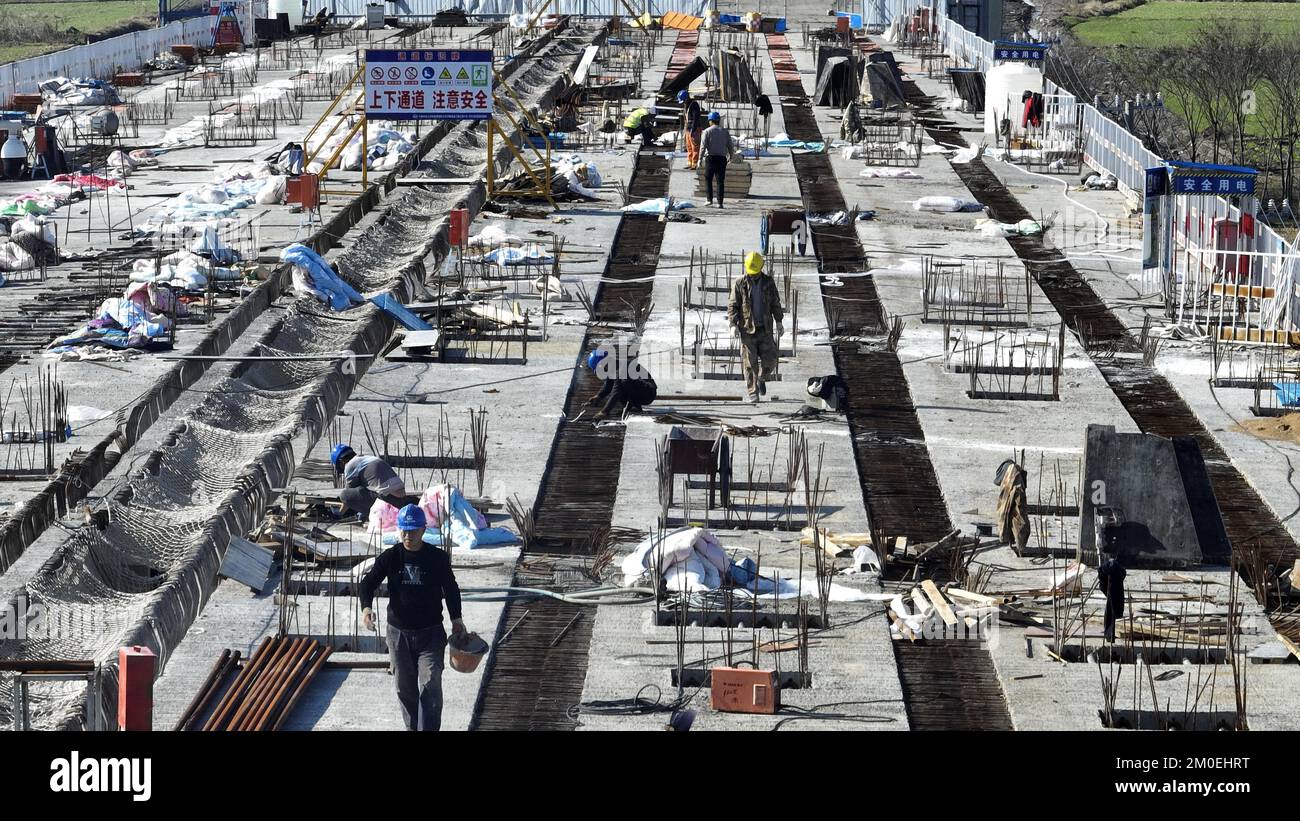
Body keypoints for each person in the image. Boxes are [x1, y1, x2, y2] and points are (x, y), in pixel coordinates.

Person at [360, 504, 465, 731]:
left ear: (424, 529)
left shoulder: (437, 558)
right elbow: (367, 584)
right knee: (404, 688)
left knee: (430, 683)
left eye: (413, 530)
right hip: (398, 635)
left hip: (430, 634)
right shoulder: (391, 557)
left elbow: (451, 589)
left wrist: (457, 619)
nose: (408, 536)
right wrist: (366, 610)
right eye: (404, 530)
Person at [727, 251, 784, 402]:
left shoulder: (768, 282)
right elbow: (733, 305)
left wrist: (779, 321)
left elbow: (775, 303)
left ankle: (762, 379)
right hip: (747, 329)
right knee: (749, 363)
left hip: (765, 328)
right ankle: (753, 393)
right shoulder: (740, 283)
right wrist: (733, 324)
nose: (752, 274)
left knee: (771, 360)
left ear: (761, 268)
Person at [330, 443, 418, 516]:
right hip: (401, 497)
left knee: (344, 495)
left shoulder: (350, 465)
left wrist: (339, 513)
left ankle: (373, 515)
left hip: (389, 500)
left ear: (341, 462)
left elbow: (348, 496)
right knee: (362, 488)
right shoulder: (368, 458)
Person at [584, 346, 657, 421]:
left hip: (648, 394)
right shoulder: (614, 366)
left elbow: (616, 393)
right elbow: (608, 385)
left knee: (622, 383)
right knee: (621, 383)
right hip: (642, 390)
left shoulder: (620, 370)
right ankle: (630, 406)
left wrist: (604, 412)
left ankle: (634, 406)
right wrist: (598, 396)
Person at [700, 111, 736, 208]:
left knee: (708, 179)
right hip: (722, 159)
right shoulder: (725, 131)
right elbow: (730, 145)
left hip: (711, 158)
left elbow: (703, 147)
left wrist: (699, 159)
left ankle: (709, 200)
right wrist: (731, 156)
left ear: (711, 121)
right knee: (720, 181)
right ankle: (720, 203)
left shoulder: (706, 131)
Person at [678, 90, 703, 170]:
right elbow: (686, 119)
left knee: (695, 147)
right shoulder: (687, 105)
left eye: (683, 101)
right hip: (688, 129)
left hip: (694, 129)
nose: (683, 103)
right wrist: (686, 131)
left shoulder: (694, 105)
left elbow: (696, 118)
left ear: (686, 98)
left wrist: (693, 129)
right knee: (689, 147)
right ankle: (690, 163)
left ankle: (695, 164)